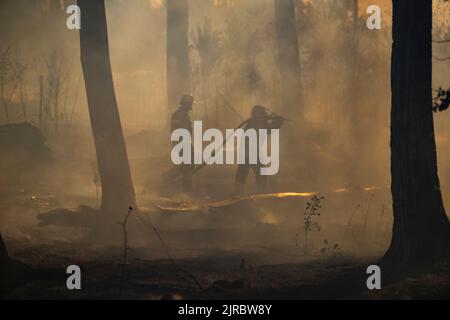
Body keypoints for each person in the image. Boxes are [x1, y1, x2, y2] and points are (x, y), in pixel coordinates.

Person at [234, 105, 284, 195]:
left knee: (243, 172)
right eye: (262, 113)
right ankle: (261, 193)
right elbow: (270, 129)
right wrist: (278, 122)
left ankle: (238, 192)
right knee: (260, 172)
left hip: (246, 152)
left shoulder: (254, 122)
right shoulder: (257, 122)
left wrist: (276, 122)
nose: (264, 115)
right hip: (252, 152)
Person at [170, 94, 194, 195]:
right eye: (190, 104)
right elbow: (176, 132)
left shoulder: (184, 115)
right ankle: (186, 193)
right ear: (186, 104)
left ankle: (187, 192)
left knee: (187, 167)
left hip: (185, 144)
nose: (190, 107)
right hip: (181, 145)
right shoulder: (177, 115)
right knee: (185, 168)